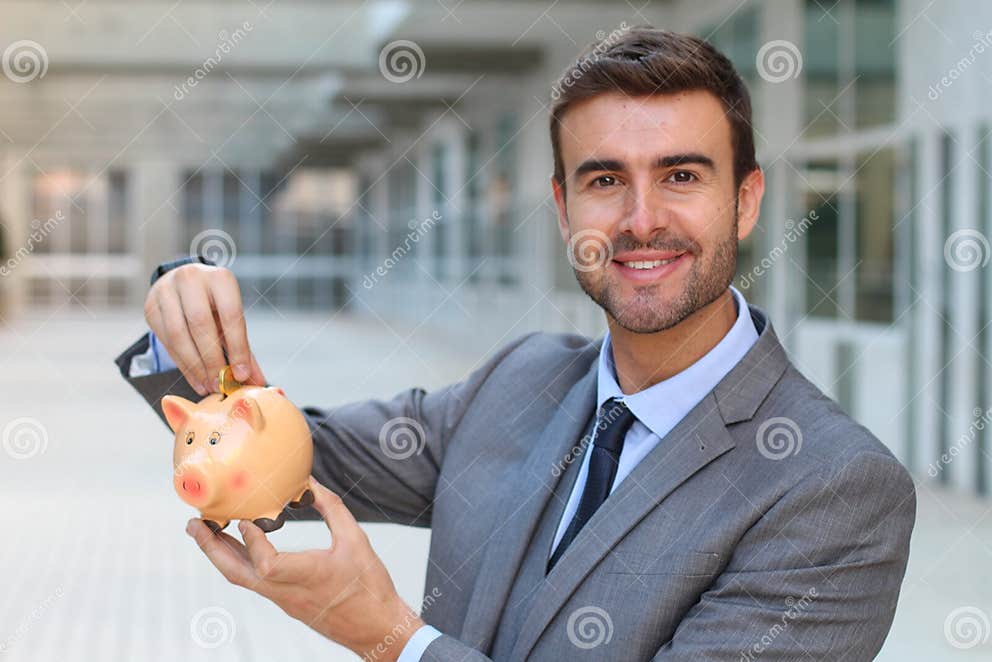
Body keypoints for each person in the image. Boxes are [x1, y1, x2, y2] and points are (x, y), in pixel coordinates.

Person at [115, 26, 916, 661]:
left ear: (744, 202)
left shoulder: (836, 492)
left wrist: (391, 639)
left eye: (681, 176)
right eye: (605, 181)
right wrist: (184, 327)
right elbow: (289, 455)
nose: (641, 220)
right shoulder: (522, 379)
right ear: (566, 212)